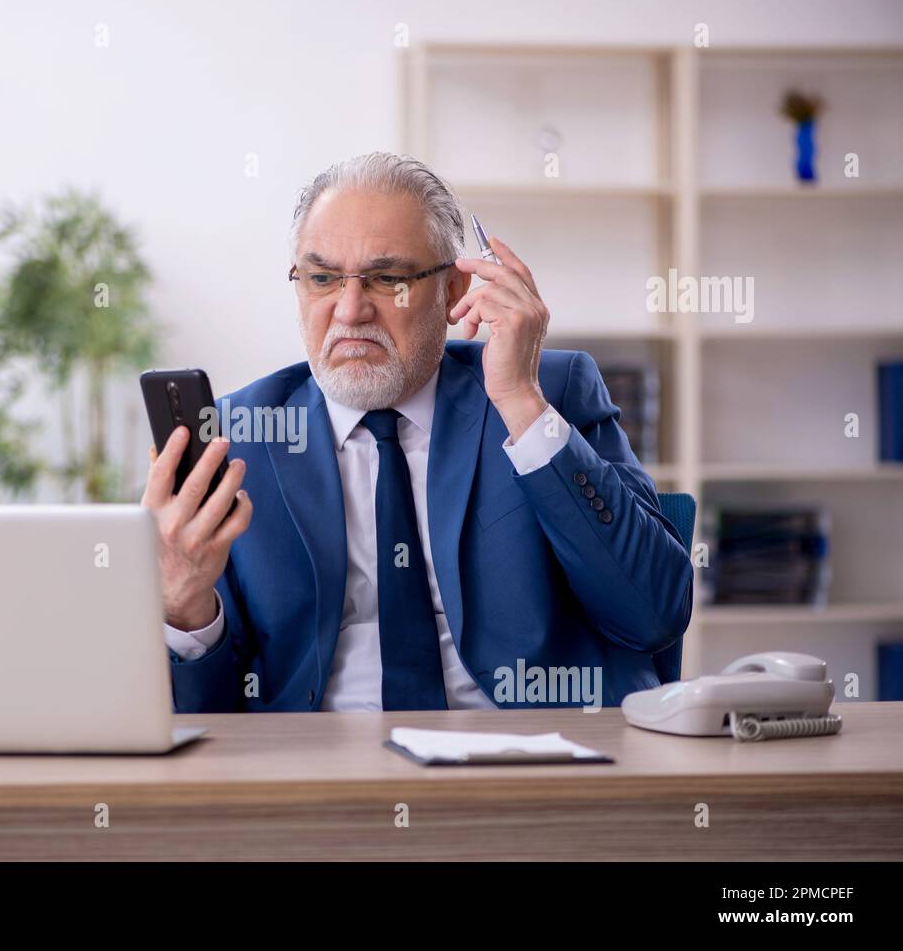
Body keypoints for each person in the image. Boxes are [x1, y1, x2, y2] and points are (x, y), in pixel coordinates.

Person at [140, 152, 693, 712]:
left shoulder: (548, 390)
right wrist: (186, 608)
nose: (349, 310)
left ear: (454, 290)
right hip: (314, 768)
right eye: (323, 278)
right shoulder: (239, 435)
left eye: (387, 279)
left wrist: (521, 403)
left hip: (525, 757)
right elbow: (210, 717)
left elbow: (654, 614)